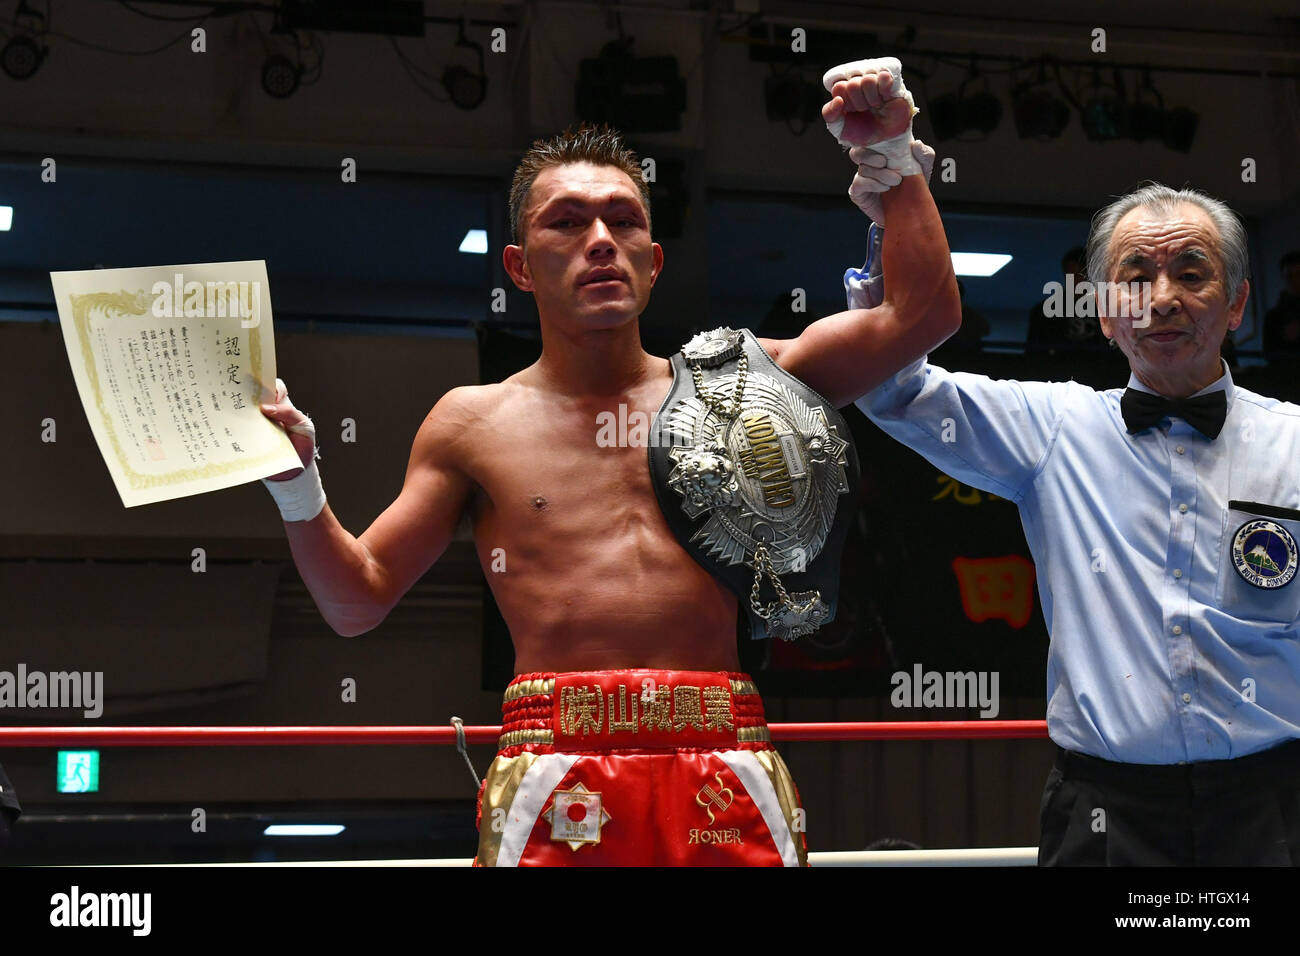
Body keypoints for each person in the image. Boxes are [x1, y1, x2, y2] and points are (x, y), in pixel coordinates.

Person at [256, 61, 959, 866]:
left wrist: (893, 156)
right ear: (519, 266)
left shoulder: (747, 381)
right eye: (567, 223)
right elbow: (357, 601)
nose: (600, 241)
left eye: (623, 221)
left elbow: (923, 312)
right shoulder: (472, 423)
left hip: (719, 754)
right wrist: (297, 485)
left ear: (653, 262)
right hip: (559, 764)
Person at [845, 166, 1300, 865]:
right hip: (1106, 814)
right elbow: (892, 386)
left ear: (1237, 304)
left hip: (1274, 806)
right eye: (1137, 276)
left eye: (1191, 272)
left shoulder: (1294, 443)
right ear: (1103, 311)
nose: (1164, 298)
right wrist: (895, 200)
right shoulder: (1054, 427)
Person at [1262, 249, 1300, 365]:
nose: (1295, 280)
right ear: (1284, 278)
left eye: (1298, 274)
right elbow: (1268, 354)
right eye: (1290, 276)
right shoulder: (1274, 317)